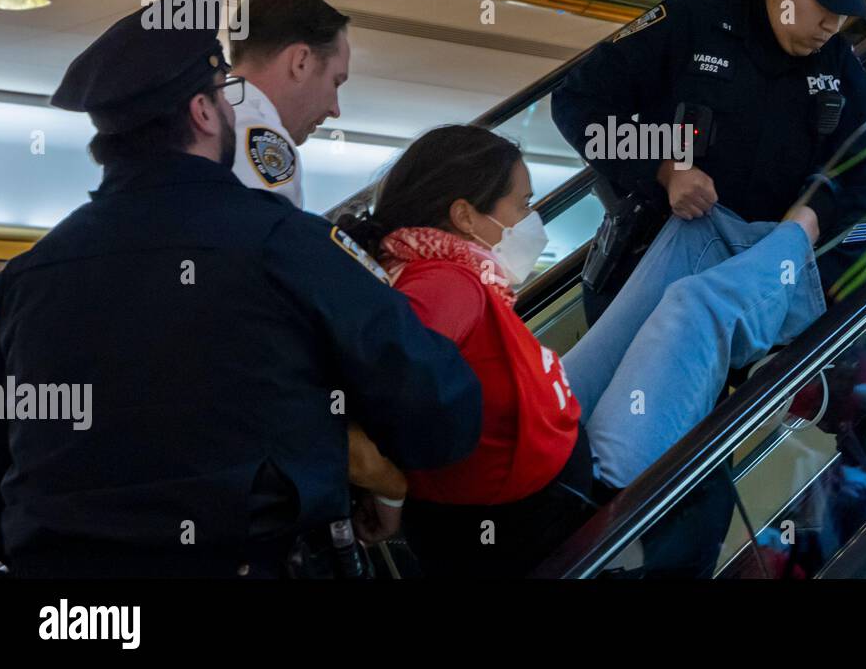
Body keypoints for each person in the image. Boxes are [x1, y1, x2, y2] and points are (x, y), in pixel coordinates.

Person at [0, 0, 482, 577]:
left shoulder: (28, 276)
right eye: (226, 93)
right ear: (202, 110)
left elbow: (2, 452)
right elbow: (438, 400)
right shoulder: (284, 243)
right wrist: (384, 476)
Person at [337, 125, 826, 577]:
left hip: (550, 445)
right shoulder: (446, 285)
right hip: (577, 503)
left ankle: (778, 287)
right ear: (466, 216)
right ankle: (798, 240)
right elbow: (379, 392)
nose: (533, 220)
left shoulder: (432, 270)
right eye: (523, 205)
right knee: (693, 309)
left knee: (689, 240)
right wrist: (390, 493)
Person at [552, 0, 866, 325]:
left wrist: (812, 223)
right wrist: (664, 168)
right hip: (644, 276)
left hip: (747, 301)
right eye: (824, 4)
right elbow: (577, 102)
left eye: (845, 12)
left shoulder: (836, 63)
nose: (832, 24)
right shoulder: (689, 25)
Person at [227, 0, 350, 209]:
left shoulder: (208, 111)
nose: (335, 109)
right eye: (336, 82)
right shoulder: (257, 135)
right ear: (300, 62)